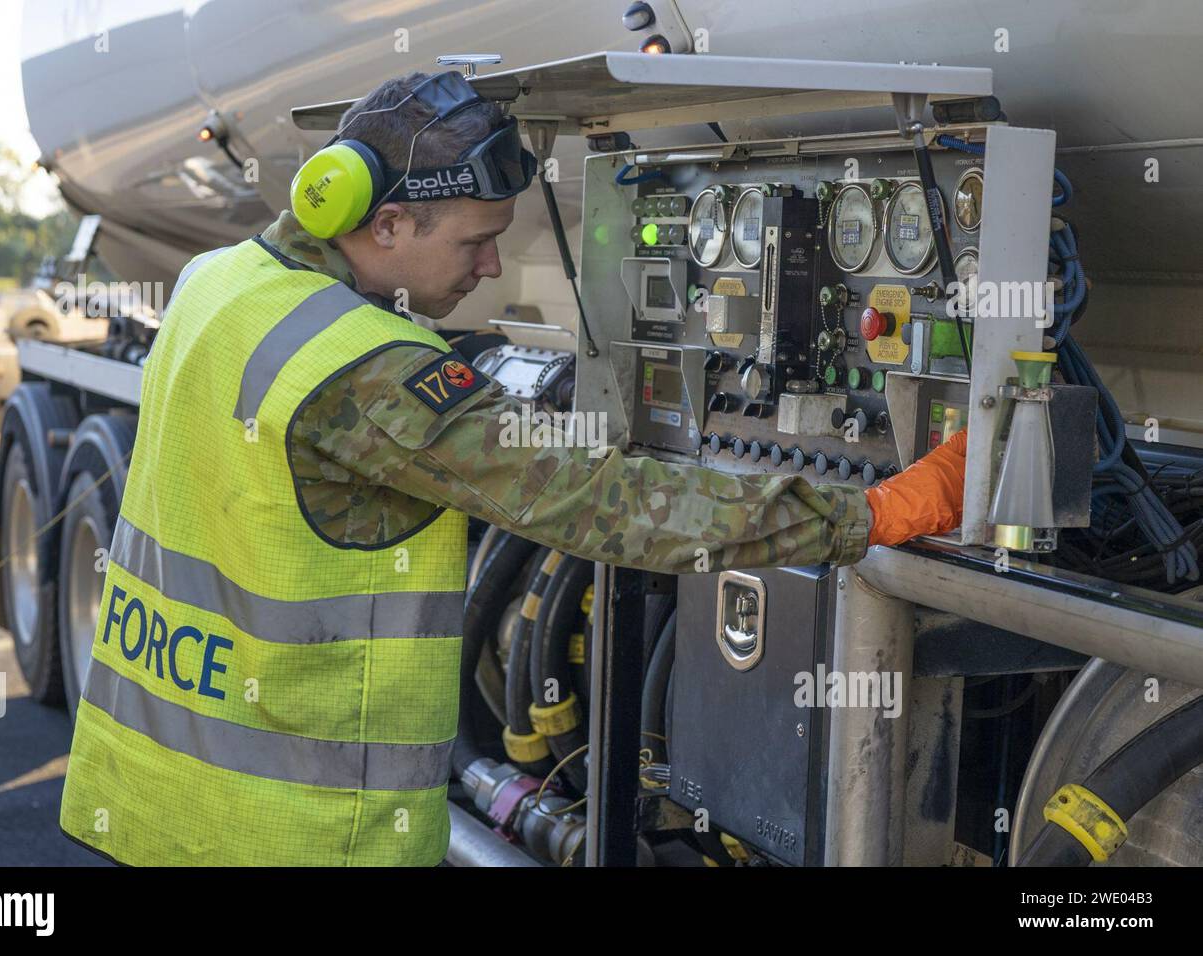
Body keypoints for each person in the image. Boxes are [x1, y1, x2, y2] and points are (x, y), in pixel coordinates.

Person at [59, 70, 967, 866]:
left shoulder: (217, 281)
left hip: (151, 795)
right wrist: (867, 514)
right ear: (386, 222)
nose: (493, 266)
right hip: (292, 833)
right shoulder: (367, 368)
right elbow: (601, 502)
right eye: (472, 242)